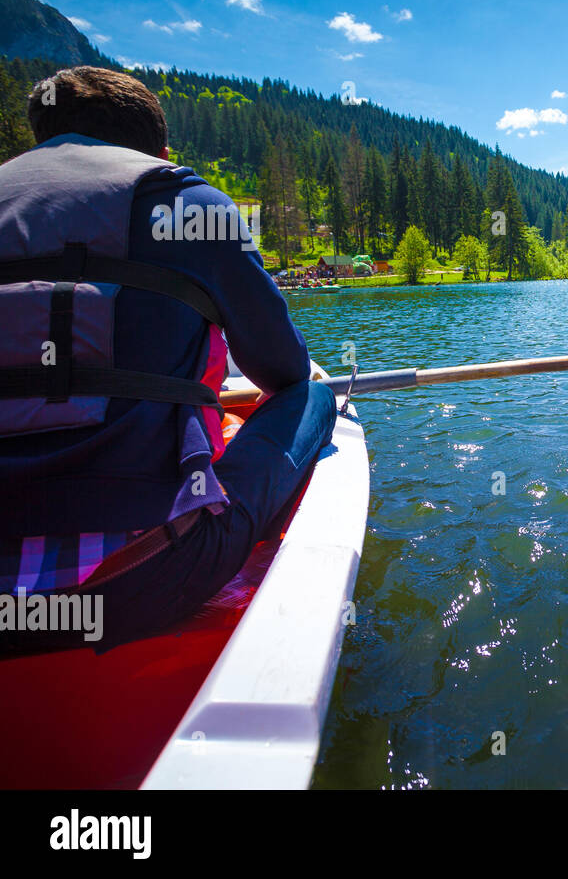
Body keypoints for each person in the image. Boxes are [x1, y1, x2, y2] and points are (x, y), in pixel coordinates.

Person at [0, 66, 336, 651]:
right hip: (137, 582)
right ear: (157, 151)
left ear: (41, 139)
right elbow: (283, 371)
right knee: (313, 392)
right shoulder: (184, 202)